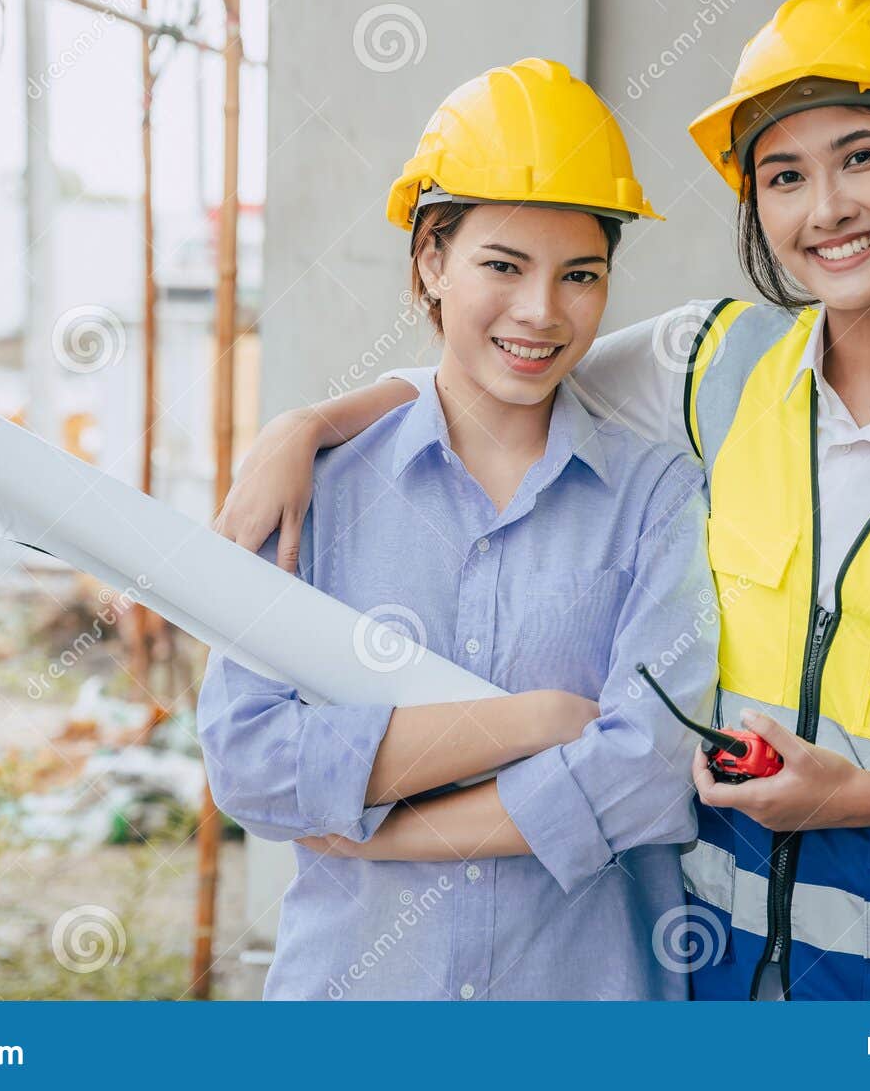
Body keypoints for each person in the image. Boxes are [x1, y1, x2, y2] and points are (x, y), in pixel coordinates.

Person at [214, 0, 870, 1002]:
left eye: (861, 157)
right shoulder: (712, 369)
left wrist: (863, 798)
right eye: (784, 176)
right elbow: (502, 371)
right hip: (736, 992)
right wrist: (307, 425)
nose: (824, 208)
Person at [196, 58, 717, 1000]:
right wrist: (538, 723)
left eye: (581, 275)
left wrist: (387, 826)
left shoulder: (659, 499)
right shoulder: (319, 493)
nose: (542, 312)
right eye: (503, 265)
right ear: (432, 260)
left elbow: (652, 770)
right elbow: (251, 760)